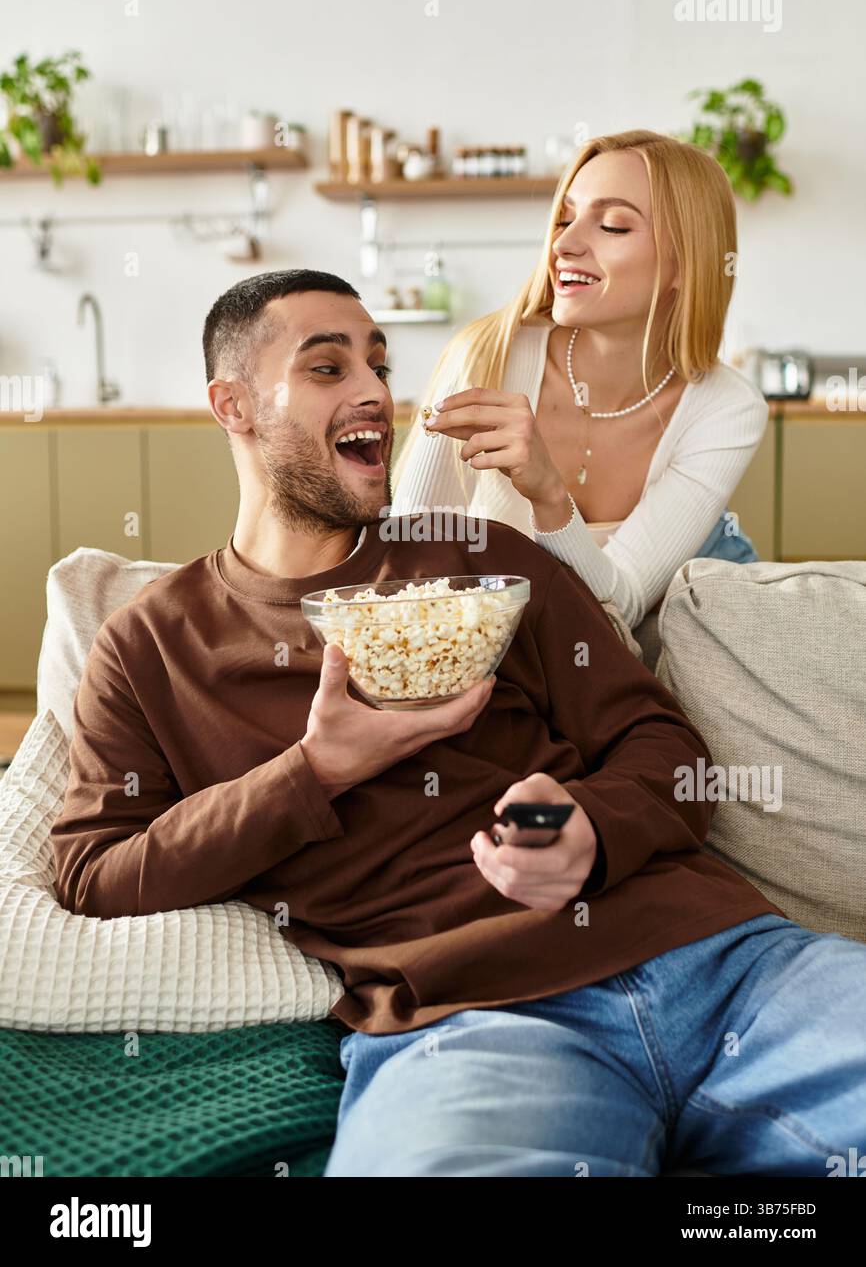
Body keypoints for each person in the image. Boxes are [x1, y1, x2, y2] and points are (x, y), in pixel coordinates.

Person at [50, 270, 865, 1177]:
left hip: (723, 965)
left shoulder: (483, 562)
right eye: (327, 368)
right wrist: (313, 772)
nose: (372, 391)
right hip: (468, 1025)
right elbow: (92, 872)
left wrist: (591, 827)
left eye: (380, 364)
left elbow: (665, 748)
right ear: (232, 405)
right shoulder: (153, 644)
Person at [391, 130, 767, 631]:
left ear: (687, 261)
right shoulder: (487, 356)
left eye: (612, 226)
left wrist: (549, 496)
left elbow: (622, 606)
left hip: (661, 618)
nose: (564, 244)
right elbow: (406, 557)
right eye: (565, 218)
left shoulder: (727, 406)